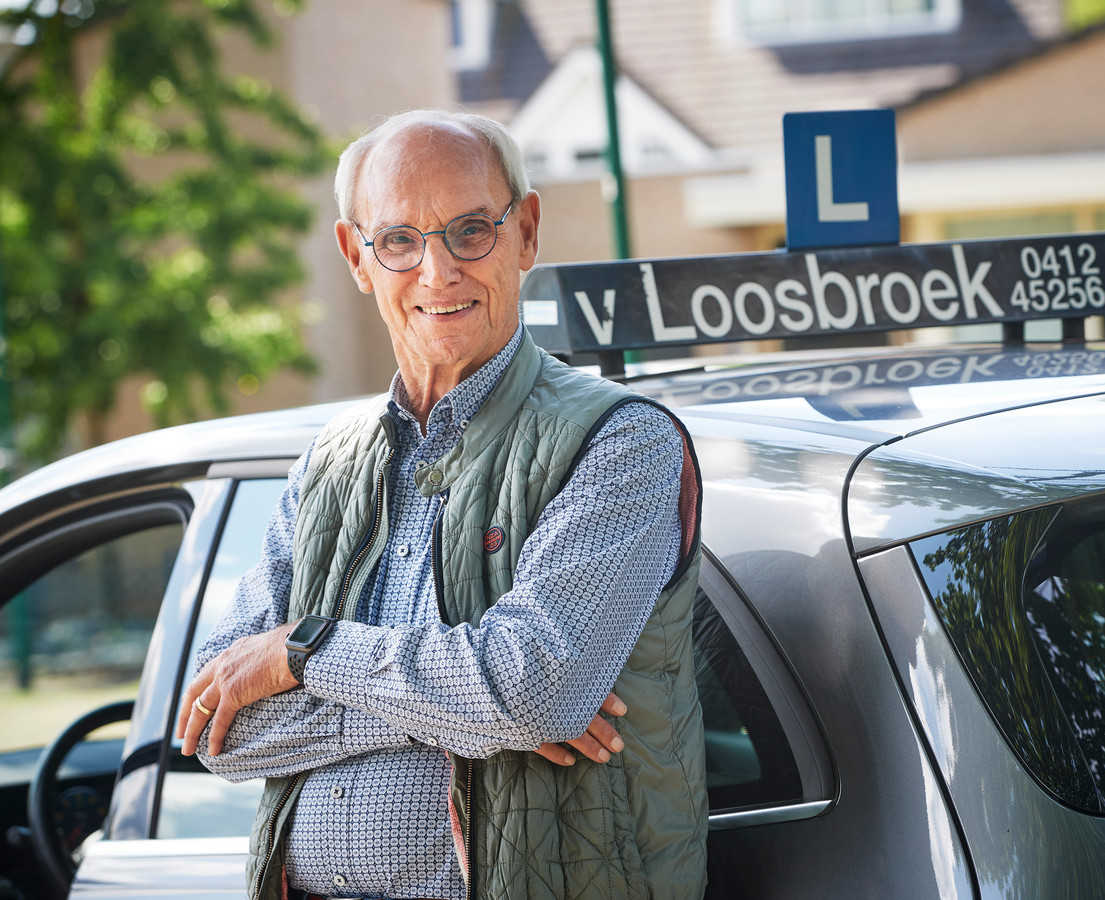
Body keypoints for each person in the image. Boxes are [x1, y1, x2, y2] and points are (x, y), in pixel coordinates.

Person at [176, 109, 707, 900]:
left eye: (470, 231)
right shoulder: (326, 464)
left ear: (525, 232)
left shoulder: (622, 441)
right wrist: (474, 716)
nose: (438, 272)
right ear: (357, 256)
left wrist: (304, 653)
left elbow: (533, 691)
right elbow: (217, 729)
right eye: (399, 241)